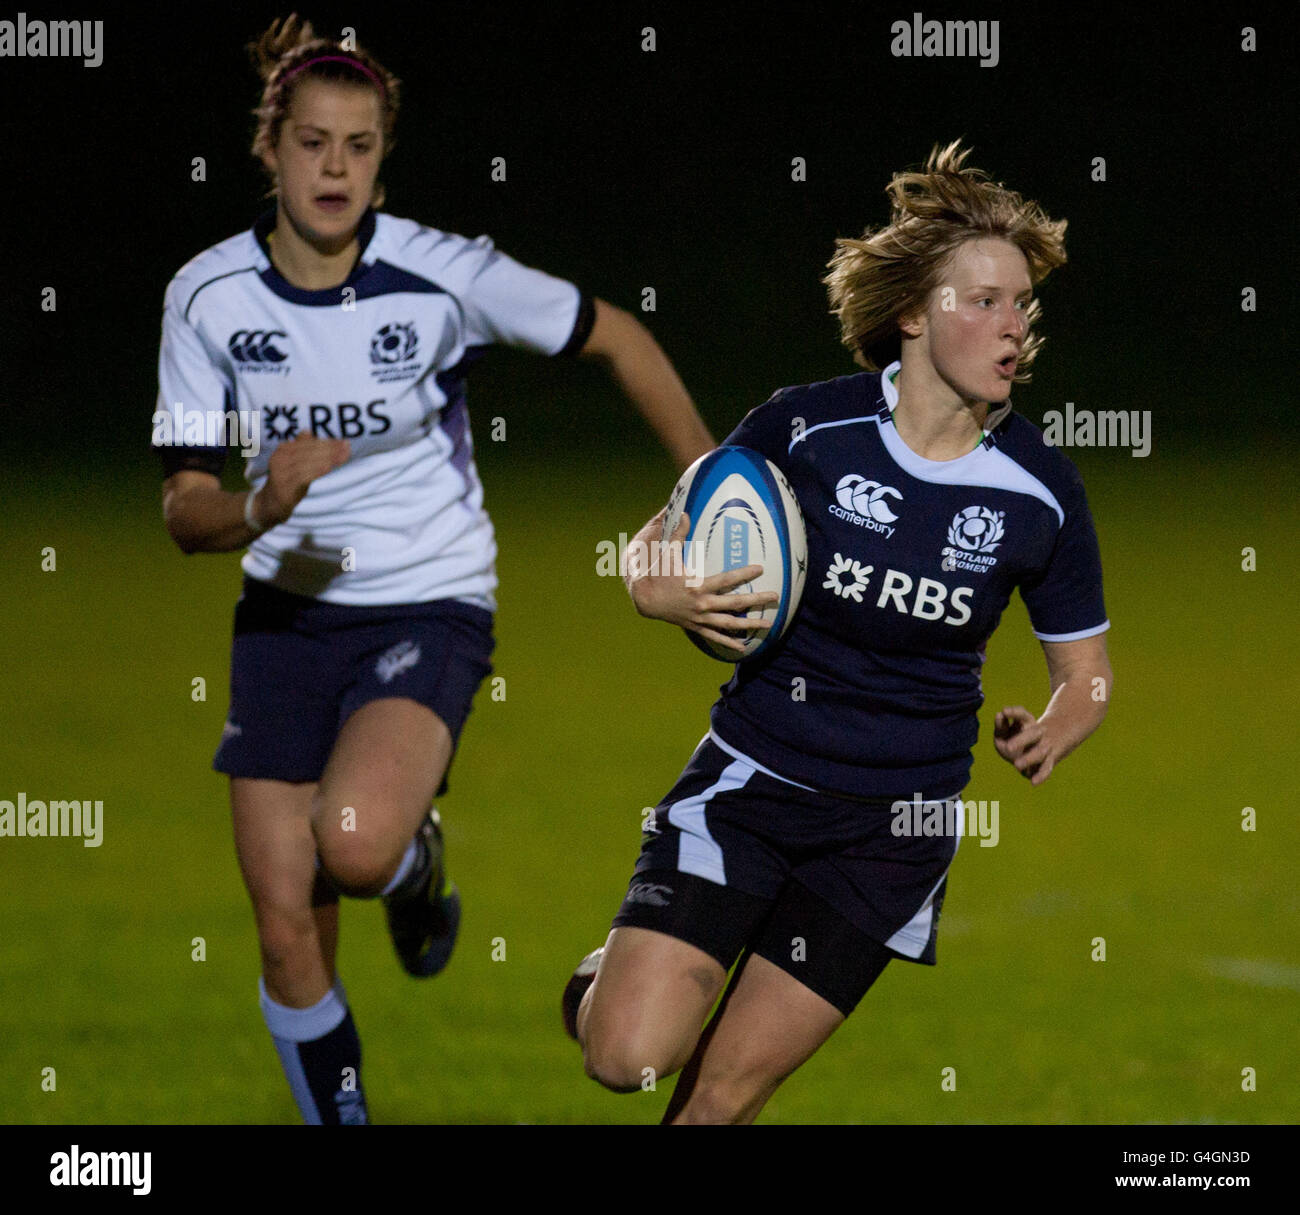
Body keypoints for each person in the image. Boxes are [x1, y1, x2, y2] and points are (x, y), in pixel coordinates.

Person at [153, 14, 713, 1124]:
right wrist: (261, 504)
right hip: (283, 616)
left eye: (358, 146)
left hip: (429, 598)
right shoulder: (206, 297)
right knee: (283, 927)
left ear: (382, 156)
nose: (334, 168)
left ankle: (411, 865)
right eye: (311, 143)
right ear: (269, 149)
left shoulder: (440, 273)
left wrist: (706, 480)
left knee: (351, 848)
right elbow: (181, 510)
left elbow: (615, 335)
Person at [563, 140, 1112, 1124]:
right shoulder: (804, 430)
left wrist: (1061, 723)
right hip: (751, 785)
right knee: (627, 1060)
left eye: (1021, 303)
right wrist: (656, 588)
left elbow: (1089, 672)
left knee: (720, 1098)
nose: (1012, 326)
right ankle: (601, 987)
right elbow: (668, 527)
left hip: (893, 833)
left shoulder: (1041, 491)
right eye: (981, 300)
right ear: (910, 314)